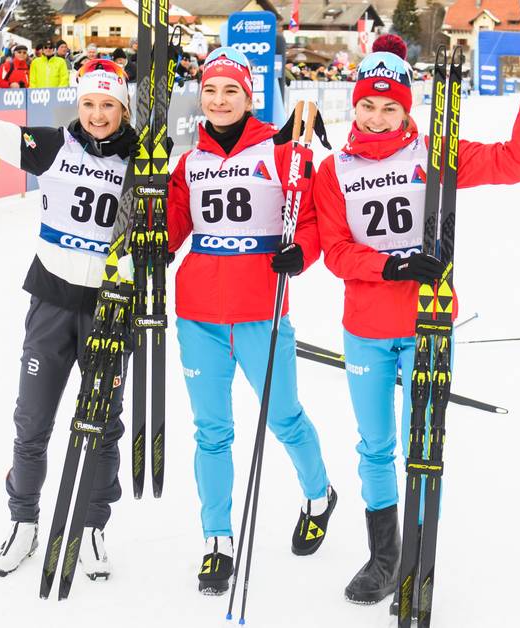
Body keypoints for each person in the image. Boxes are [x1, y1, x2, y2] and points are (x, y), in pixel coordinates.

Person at [312, 38, 520, 605]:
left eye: (390, 107)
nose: (377, 118)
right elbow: (336, 252)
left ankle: (419, 559)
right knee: (375, 446)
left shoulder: (435, 153)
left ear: (407, 109)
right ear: (354, 105)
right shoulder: (334, 169)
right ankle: (385, 557)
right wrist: (392, 265)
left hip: (428, 320)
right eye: (367, 106)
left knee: (423, 444)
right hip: (365, 326)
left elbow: (515, 162)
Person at [0, 21, 138, 581]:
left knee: (103, 422)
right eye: (89, 103)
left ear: (124, 108)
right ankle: (23, 523)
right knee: (32, 420)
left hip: (111, 307)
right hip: (52, 300)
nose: (98, 114)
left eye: (108, 105)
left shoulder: (143, 159)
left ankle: (92, 526)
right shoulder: (54, 145)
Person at [165, 46, 337, 596]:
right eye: (210, 91)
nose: (219, 101)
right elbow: (170, 231)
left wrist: (301, 252)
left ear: (248, 96)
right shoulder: (189, 162)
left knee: (284, 417)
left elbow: (309, 220)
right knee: (212, 432)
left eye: (230, 91)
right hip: (198, 316)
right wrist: (146, 237)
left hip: (261, 310)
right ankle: (217, 539)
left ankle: (319, 494)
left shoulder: (280, 150)